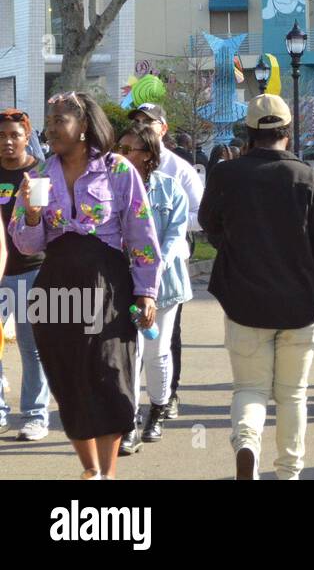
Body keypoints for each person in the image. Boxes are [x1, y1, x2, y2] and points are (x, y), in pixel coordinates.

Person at [198, 94, 314, 480]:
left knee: (249, 389)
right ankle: (288, 471)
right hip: (301, 304)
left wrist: (233, 246)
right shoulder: (309, 179)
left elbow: (209, 223)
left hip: (245, 302)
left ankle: (248, 442)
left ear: (249, 134)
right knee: (293, 395)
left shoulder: (225, 175)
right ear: (288, 133)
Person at [9, 93, 161, 480]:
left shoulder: (118, 170)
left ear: (84, 127)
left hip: (109, 286)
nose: (52, 128)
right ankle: (90, 469)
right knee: (68, 375)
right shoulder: (40, 174)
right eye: (50, 119)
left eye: (60, 120)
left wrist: (146, 292)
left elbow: (142, 234)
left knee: (110, 374)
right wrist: (30, 213)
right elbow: (26, 245)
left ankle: (106, 474)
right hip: (56, 286)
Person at [116, 122, 191, 450]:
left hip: (165, 284)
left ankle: (157, 409)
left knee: (156, 352)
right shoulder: (112, 186)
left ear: (148, 155)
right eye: (120, 149)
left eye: (129, 149)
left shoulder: (170, 188)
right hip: (124, 284)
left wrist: (152, 269)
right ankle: (128, 420)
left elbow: (176, 235)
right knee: (128, 353)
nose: (122, 155)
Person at [127, 103, 202, 420]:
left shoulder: (178, 171)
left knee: (166, 337)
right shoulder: (123, 168)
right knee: (132, 342)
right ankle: (129, 405)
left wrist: (167, 238)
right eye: (138, 121)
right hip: (130, 269)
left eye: (149, 122)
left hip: (168, 265)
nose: (143, 125)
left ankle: (167, 396)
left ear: (163, 128)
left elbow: (200, 216)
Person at [0, 108, 50, 442]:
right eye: (2, 136)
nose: (7, 142)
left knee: (33, 348)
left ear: (27, 135)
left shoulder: (41, 172)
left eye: (14, 135)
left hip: (33, 272)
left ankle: (34, 415)